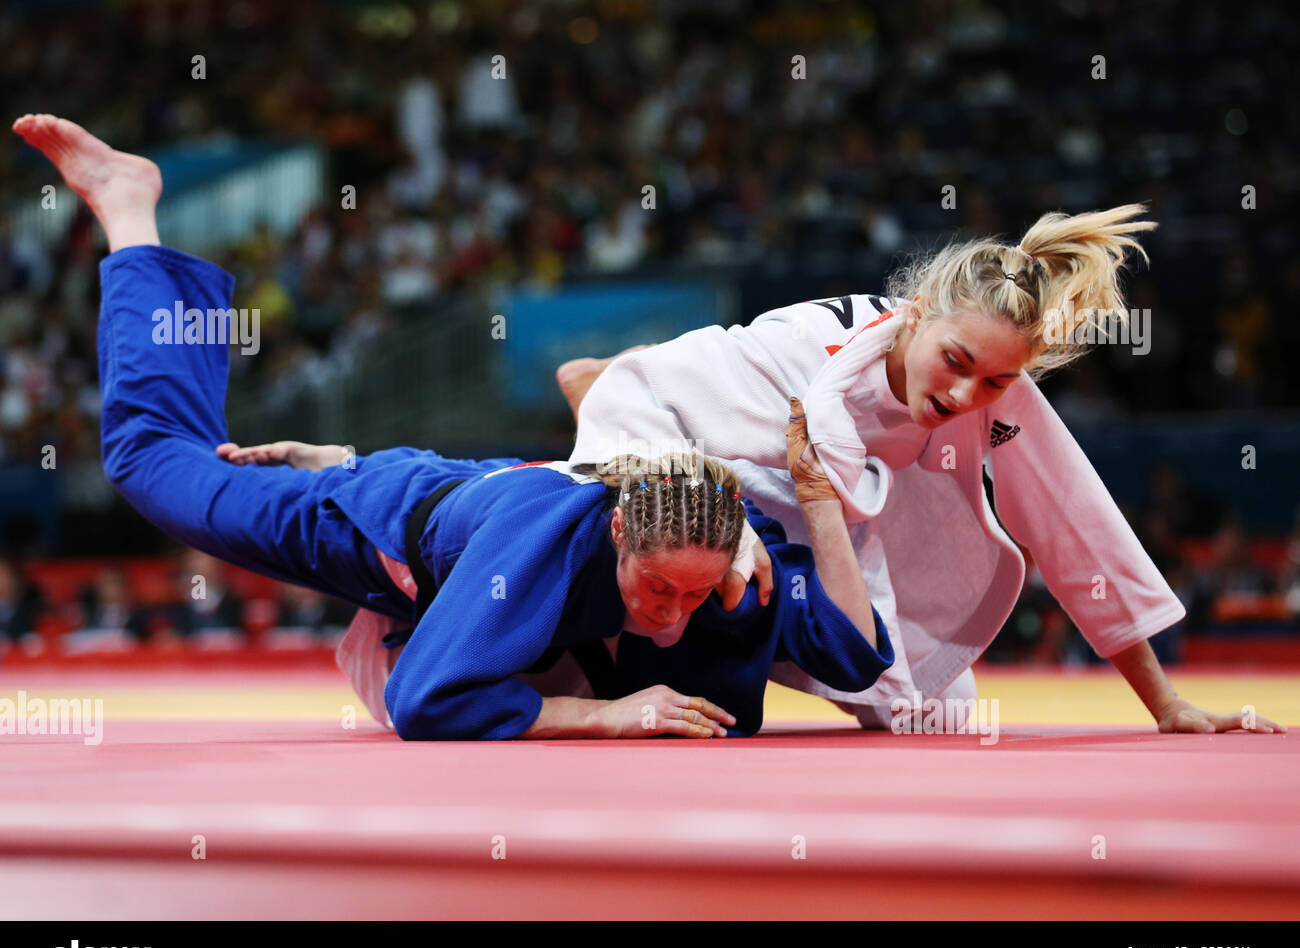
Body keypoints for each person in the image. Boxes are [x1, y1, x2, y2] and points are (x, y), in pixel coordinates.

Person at [12, 113, 893, 741]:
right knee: (149, 462)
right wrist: (602, 717)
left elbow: (854, 655)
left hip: (467, 487)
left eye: (691, 597)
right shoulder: (543, 544)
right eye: (659, 590)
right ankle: (132, 216)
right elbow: (427, 702)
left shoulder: (713, 546)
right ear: (620, 531)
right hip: (369, 520)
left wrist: (816, 498)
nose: (671, 617)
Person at [563, 206, 1286, 734]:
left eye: (995, 382)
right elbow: (645, 399)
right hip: (718, 465)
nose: (966, 396)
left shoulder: (996, 389)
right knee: (618, 615)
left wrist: (1166, 703)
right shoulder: (795, 352)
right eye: (957, 364)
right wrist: (721, 525)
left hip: (837, 510)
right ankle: (586, 391)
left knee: (938, 711)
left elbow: (1071, 517)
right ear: (915, 316)